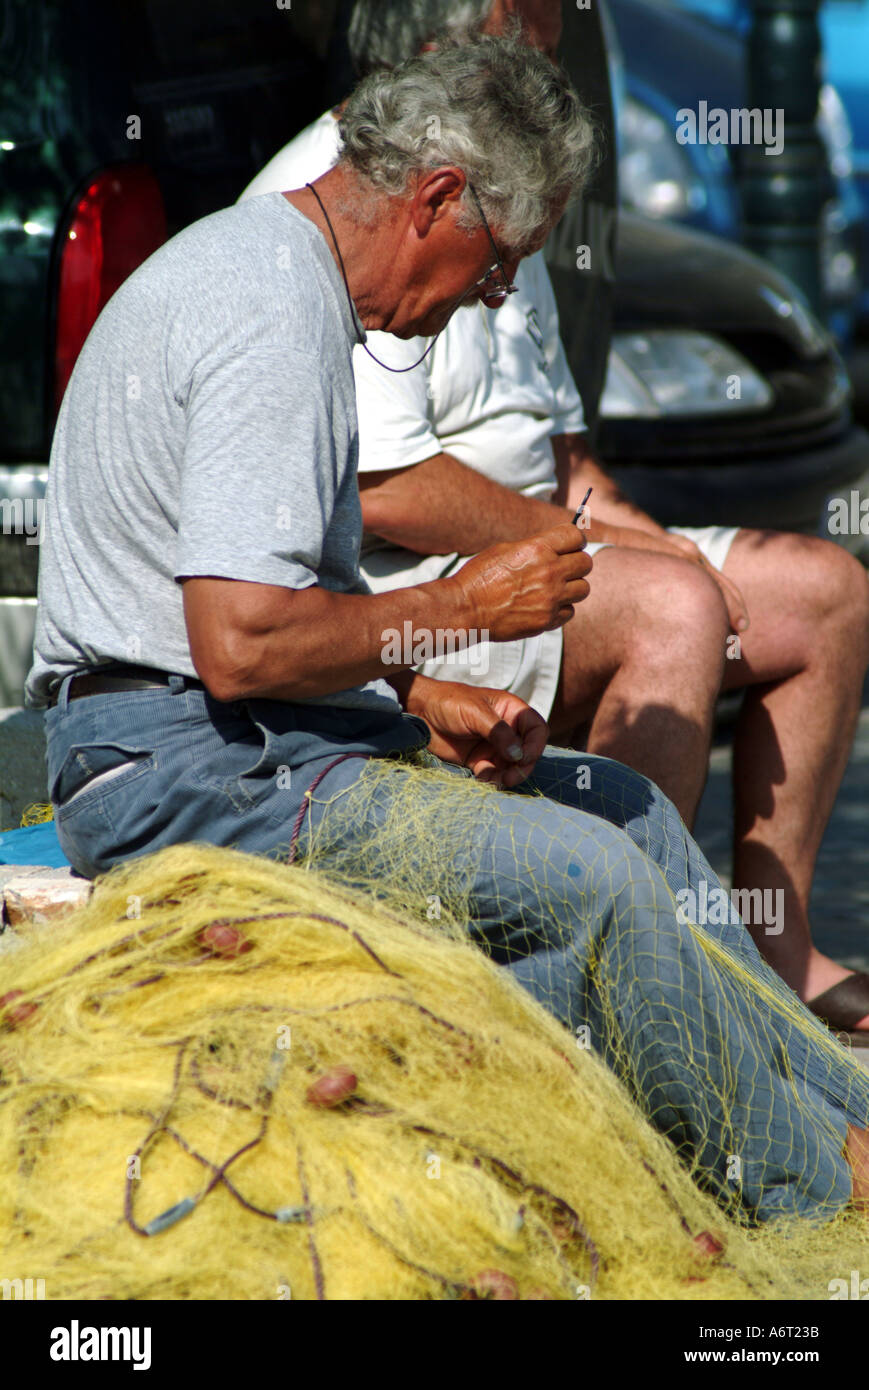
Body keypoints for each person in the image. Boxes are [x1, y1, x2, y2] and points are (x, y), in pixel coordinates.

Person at [26, 37, 869, 1222]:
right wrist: (459, 611)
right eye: (495, 263)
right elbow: (238, 645)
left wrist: (423, 696)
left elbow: (269, 612)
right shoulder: (268, 299)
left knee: (629, 817)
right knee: (590, 877)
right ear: (432, 200)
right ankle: (803, 1183)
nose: (488, 294)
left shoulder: (284, 279)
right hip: (182, 775)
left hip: (257, 743)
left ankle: (832, 1119)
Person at [241, 0, 869, 1035]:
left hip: (533, 536)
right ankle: (628, 980)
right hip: (410, 583)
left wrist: (650, 540)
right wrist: (598, 552)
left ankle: (772, 951)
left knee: (822, 589)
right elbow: (381, 485)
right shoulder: (354, 197)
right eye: (543, 23)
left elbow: (566, 459)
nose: (565, 43)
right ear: (476, 25)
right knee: (668, 608)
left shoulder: (503, 172)